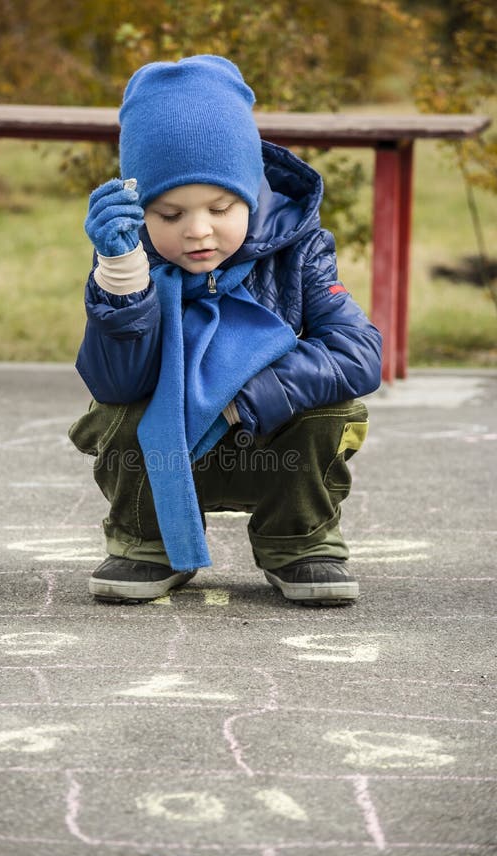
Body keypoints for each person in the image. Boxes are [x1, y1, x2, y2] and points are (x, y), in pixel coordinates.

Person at [69, 54, 382, 607]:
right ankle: (148, 543)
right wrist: (120, 280)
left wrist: (243, 397)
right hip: (169, 449)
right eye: (169, 215)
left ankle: (298, 541)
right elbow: (114, 385)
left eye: (220, 206)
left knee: (332, 409)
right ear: (141, 210)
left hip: (269, 442)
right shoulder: (128, 256)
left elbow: (358, 352)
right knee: (118, 415)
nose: (197, 231)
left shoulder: (299, 249)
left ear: (253, 193)